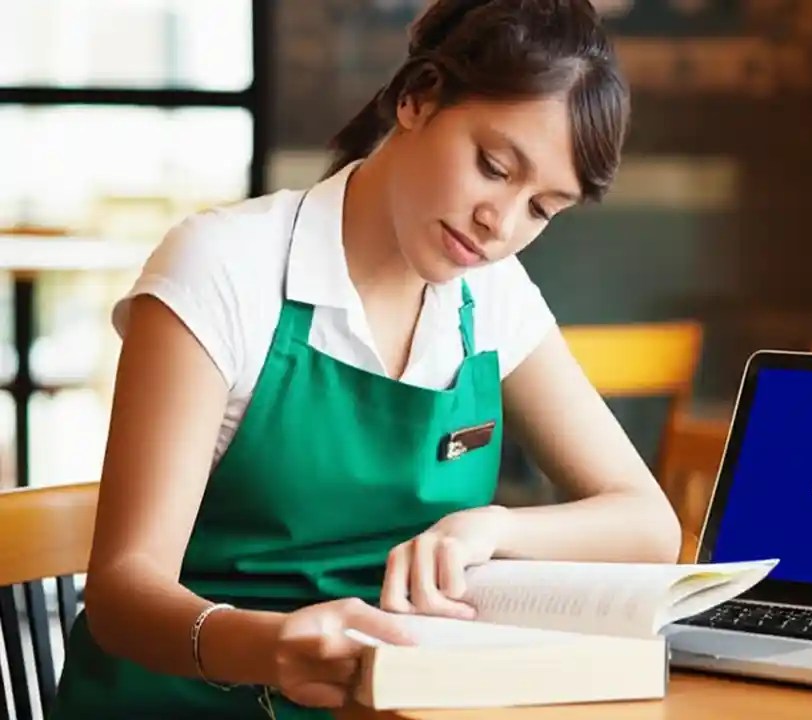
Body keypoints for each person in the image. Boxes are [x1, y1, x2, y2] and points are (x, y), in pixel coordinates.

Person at [51, 1, 681, 717]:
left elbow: (647, 525)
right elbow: (123, 592)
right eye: (494, 167)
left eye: (542, 209)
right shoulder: (222, 268)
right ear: (417, 97)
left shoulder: (490, 294)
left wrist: (493, 528)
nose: (501, 224)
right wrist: (272, 648)